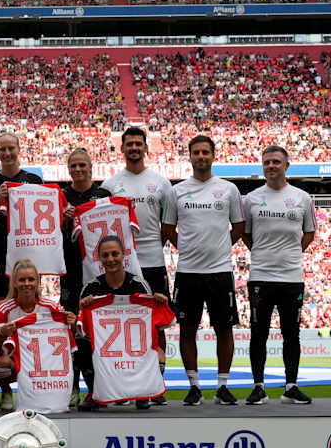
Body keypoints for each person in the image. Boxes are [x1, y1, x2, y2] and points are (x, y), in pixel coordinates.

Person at [162, 135, 244, 406]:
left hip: (220, 271)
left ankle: (223, 386)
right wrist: (188, 249)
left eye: (205, 152)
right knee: (187, 328)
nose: (200, 156)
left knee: (224, 329)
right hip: (188, 271)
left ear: (213, 155)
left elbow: (239, 227)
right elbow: (168, 229)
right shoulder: (177, 191)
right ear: (190, 156)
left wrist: (219, 249)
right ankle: (193, 385)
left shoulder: (229, 190)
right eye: (196, 152)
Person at [102, 126, 174, 407]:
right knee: (119, 325)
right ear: (122, 149)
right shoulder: (110, 185)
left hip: (153, 261)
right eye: (129, 144)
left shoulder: (161, 183)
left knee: (156, 327)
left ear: (146, 148)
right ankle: (122, 385)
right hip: (121, 266)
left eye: (138, 144)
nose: (133, 148)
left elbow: (168, 226)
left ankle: (157, 384)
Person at [241, 145, 316, 405]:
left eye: (275, 162)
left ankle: (291, 386)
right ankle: (258, 386)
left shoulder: (303, 198)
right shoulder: (250, 199)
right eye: (266, 162)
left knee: (291, 333)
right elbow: (246, 235)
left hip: (292, 277)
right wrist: (265, 254)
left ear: (286, 165)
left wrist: (290, 254)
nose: (271, 166)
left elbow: (309, 233)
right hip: (261, 276)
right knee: (258, 333)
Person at [78, 235, 171, 411]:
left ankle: (144, 392)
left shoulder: (138, 284)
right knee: (80, 343)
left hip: (133, 345)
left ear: (124, 255)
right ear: (99, 258)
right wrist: (83, 307)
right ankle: (95, 392)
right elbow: (81, 327)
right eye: (105, 255)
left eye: (115, 254)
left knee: (157, 351)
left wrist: (159, 303)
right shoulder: (91, 288)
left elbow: (155, 324)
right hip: (106, 347)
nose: (110, 259)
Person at [0, 259, 75, 411]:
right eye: (22, 280)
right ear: (14, 283)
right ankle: (6, 391)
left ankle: (52, 395)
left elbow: (66, 340)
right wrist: (2, 335)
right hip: (16, 361)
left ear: (38, 282)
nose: (27, 284)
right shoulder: (3, 309)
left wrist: (72, 323)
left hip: (43, 363)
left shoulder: (50, 307)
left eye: (31, 279)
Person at [60, 147, 110, 406]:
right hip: (70, 271)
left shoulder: (103, 195)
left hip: (99, 274)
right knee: (71, 329)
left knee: (97, 333)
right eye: (74, 166)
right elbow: (54, 237)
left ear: (91, 166)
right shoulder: (62, 196)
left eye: (82, 165)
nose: (78, 170)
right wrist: (65, 221)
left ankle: (102, 387)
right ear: (68, 169)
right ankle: (73, 385)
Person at [0, 132, 43, 327]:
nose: (7, 153)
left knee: (29, 305)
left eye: (11, 148)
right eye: (3, 149)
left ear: (18, 150)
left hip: (26, 251)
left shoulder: (34, 180)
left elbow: (40, 225)